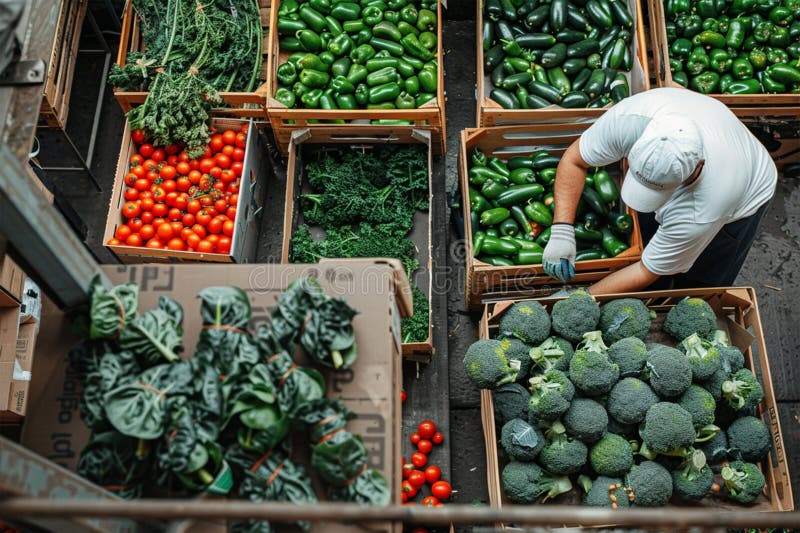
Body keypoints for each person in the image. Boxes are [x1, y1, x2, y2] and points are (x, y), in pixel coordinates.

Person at [541, 87, 777, 295]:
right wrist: (562, 230)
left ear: (698, 167)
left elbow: (648, 269)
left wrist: (581, 298)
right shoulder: (631, 119)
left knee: (700, 283)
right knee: (652, 236)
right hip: (714, 129)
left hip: (747, 192)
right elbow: (574, 160)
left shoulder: (705, 207)